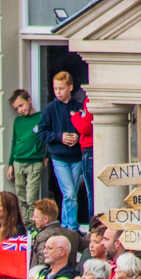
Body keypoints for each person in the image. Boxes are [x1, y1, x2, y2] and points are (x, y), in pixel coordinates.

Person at [36, 71, 84, 230]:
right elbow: (41, 132)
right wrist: (59, 137)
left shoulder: (79, 107)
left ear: (70, 88)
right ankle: (72, 227)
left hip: (77, 157)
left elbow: (86, 128)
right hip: (59, 158)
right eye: (55, 88)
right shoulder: (50, 108)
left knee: (71, 195)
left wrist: (78, 136)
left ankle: (66, 225)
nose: (58, 92)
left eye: (61, 88)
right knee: (69, 193)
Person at [6, 89, 46, 210]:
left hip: (34, 162)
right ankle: (29, 226)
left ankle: (35, 226)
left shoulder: (41, 118)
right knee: (21, 198)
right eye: (16, 108)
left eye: (21, 105)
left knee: (31, 198)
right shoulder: (18, 121)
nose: (20, 110)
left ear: (29, 100)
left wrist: (47, 157)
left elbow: (47, 139)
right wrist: (10, 164)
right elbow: (14, 142)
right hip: (18, 162)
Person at [29, 198, 82, 269]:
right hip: (69, 276)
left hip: (49, 278)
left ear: (45, 220)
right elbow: (89, 249)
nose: (33, 219)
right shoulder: (73, 234)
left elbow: (41, 266)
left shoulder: (43, 236)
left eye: (36, 217)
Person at [71, 93, 95, 214]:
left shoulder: (90, 99)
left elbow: (85, 128)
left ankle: (93, 227)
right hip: (92, 148)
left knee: (91, 193)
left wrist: (75, 117)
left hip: (89, 149)